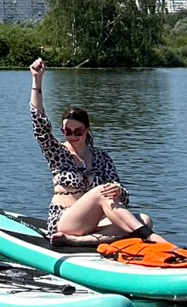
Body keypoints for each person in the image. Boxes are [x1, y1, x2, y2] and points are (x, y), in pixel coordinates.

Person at [29, 57, 153, 242]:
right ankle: (152, 238)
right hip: (65, 220)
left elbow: (123, 199)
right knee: (101, 193)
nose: (72, 135)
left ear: (87, 130)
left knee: (144, 219)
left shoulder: (101, 158)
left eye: (77, 131)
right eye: (67, 131)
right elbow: (40, 124)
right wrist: (37, 81)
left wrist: (118, 190)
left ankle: (80, 241)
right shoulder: (57, 153)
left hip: (92, 224)